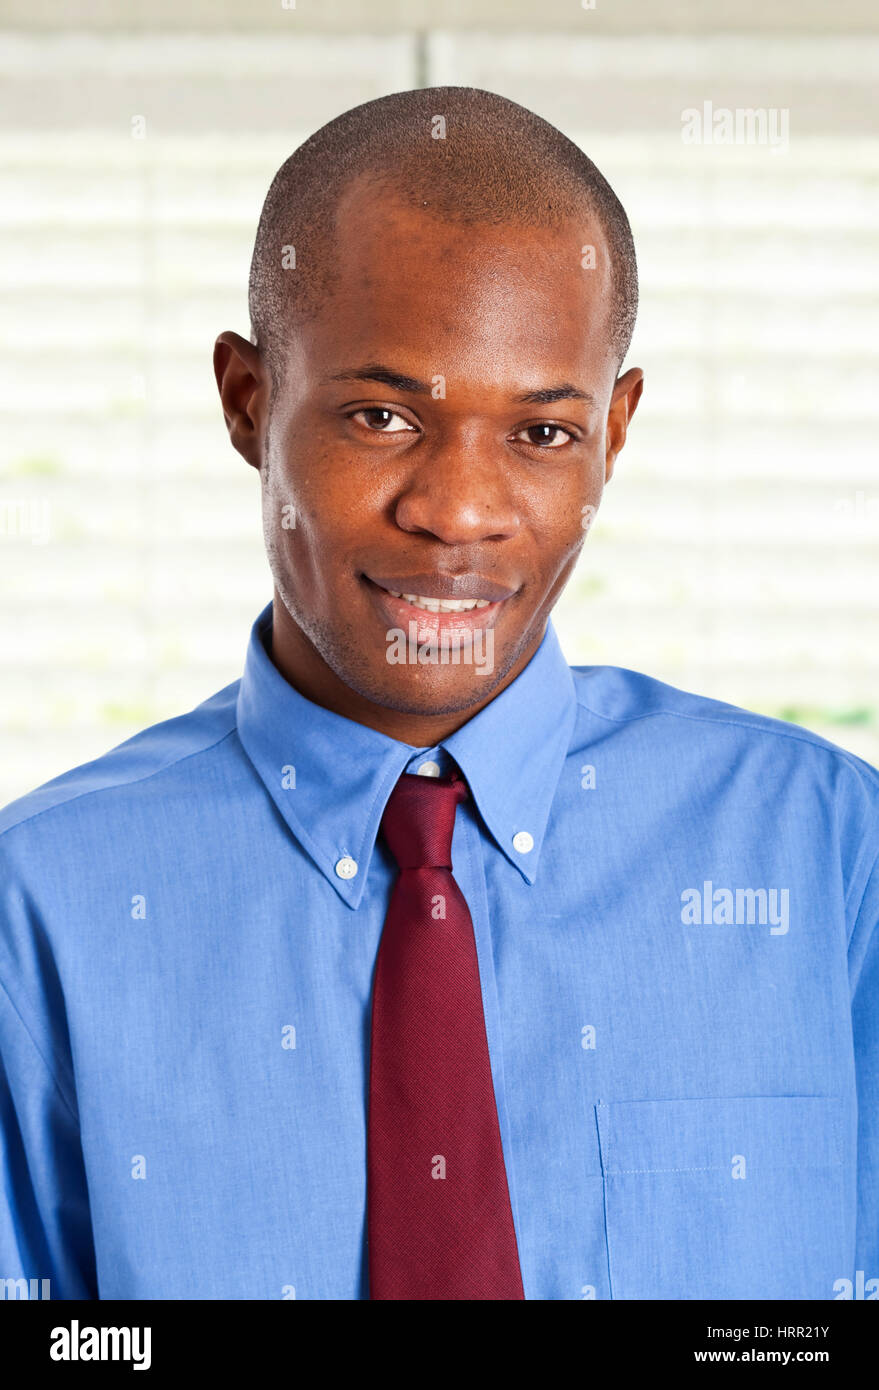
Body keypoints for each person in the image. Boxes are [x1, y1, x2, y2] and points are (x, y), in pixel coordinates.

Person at [0, 86, 876, 1302]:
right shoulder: (39, 901)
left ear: (616, 432)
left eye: (543, 435)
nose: (458, 512)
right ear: (249, 403)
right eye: (382, 416)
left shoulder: (830, 853)